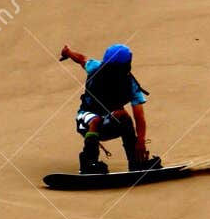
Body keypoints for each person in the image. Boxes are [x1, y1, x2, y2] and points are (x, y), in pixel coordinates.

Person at [60, 42, 161, 174]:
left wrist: (141, 141)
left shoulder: (131, 85)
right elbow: (81, 59)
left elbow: (139, 116)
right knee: (95, 120)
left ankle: (136, 163)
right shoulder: (95, 68)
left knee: (123, 116)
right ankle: (89, 163)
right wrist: (67, 52)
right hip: (85, 120)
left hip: (108, 124)